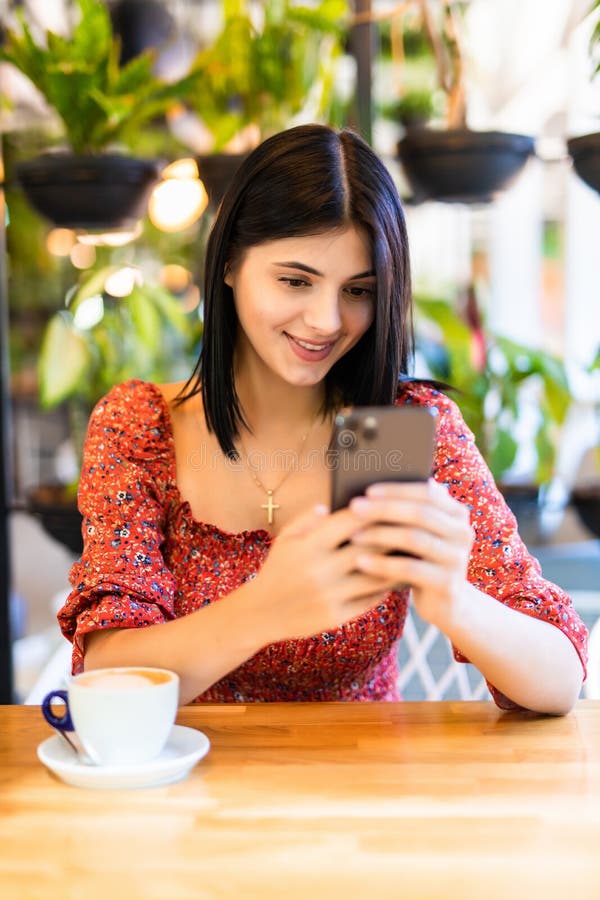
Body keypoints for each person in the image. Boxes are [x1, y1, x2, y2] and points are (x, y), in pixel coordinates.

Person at [59, 124, 587, 712]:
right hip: (186, 782)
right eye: (295, 280)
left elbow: (560, 682)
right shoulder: (144, 425)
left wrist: (454, 599)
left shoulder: (392, 429)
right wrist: (266, 607)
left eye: (358, 290)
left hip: (362, 782)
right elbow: (105, 679)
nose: (325, 321)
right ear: (230, 261)